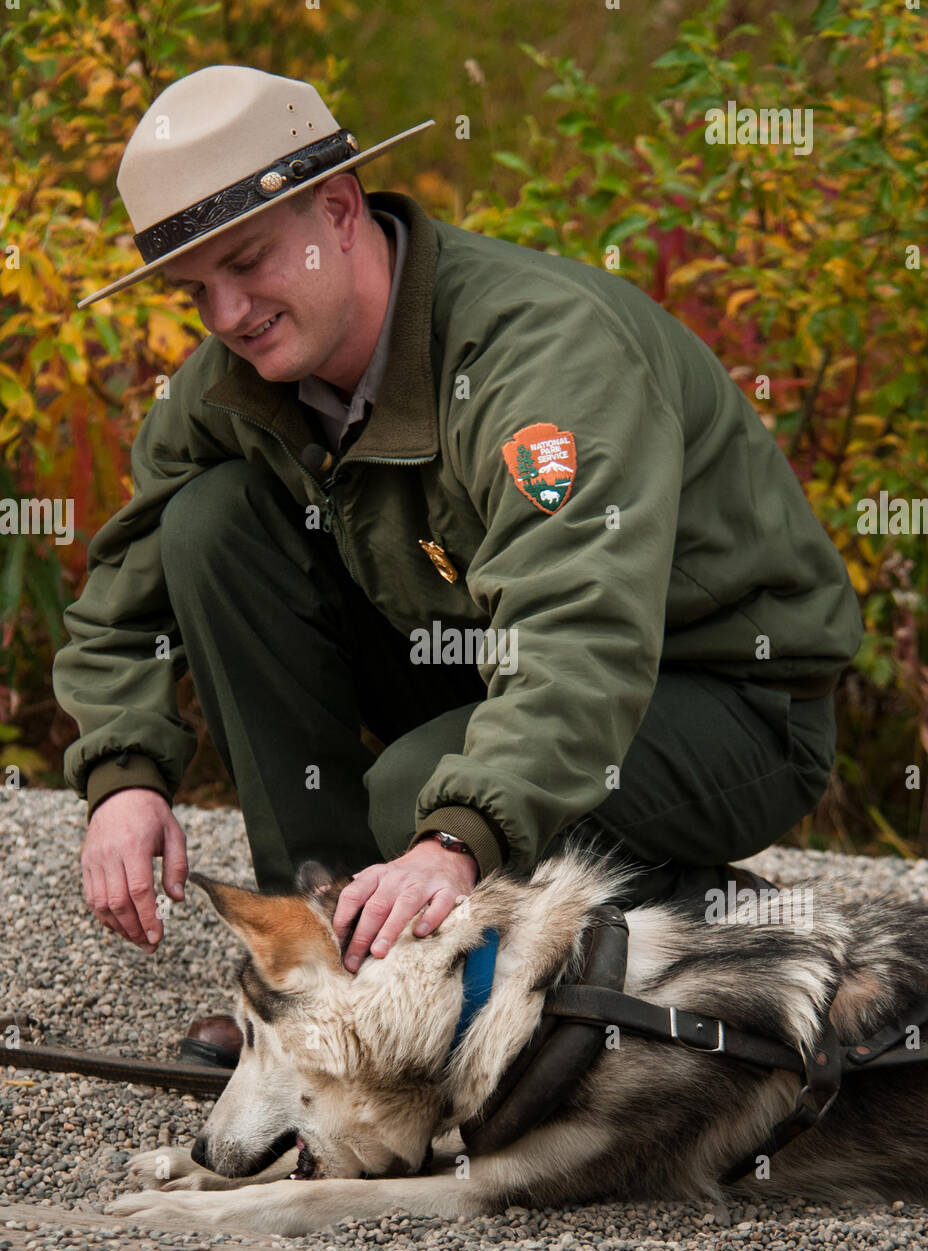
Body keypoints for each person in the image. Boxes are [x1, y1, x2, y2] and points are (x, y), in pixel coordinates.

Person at [53, 66, 862, 1029]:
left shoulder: (541, 360)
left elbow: (581, 627)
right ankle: (325, 966)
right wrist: (122, 776)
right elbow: (127, 584)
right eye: (197, 289)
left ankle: (706, 920)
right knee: (210, 523)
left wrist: (456, 830)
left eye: (251, 261)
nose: (227, 315)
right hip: (484, 659)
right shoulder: (241, 374)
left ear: (342, 209)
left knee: (419, 795)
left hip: (723, 700)